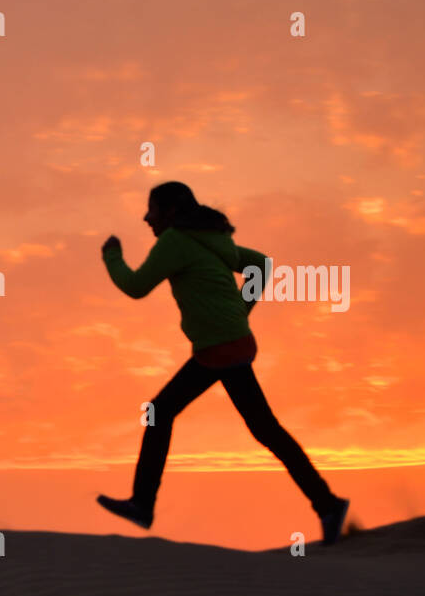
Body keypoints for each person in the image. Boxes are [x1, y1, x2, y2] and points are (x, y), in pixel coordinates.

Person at [97, 182, 350, 544]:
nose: (145, 217)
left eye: (151, 210)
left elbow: (136, 287)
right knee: (265, 429)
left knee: (160, 412)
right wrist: (238, 314)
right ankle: (327, 503)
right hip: (232, 345)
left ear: (169, 212)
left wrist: (112, 256)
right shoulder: (211, 238)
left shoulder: (175, 242)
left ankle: (142, 505)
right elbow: (262, 265)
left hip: (219, 350)